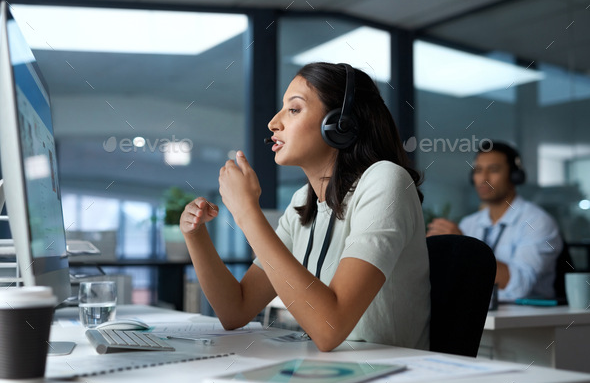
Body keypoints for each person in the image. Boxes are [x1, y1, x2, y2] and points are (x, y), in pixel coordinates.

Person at [180, 62, 430, 352]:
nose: (274, 122)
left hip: (392, 375)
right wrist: (195, 235)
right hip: (328, 372)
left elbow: (329, 329)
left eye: (294, 109)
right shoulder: (303, 202)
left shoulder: (385, 181)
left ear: (339, 124)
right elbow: (235, 310)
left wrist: (247, 212)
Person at [427, 141, 562, 301]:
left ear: (514, 175)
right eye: (478, 170)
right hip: (477, 316)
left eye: (493, 170)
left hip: (524, 320)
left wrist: (466, 248)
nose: (483, 178)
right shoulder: (469, 223)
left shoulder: (537, 222)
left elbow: (521, 286)